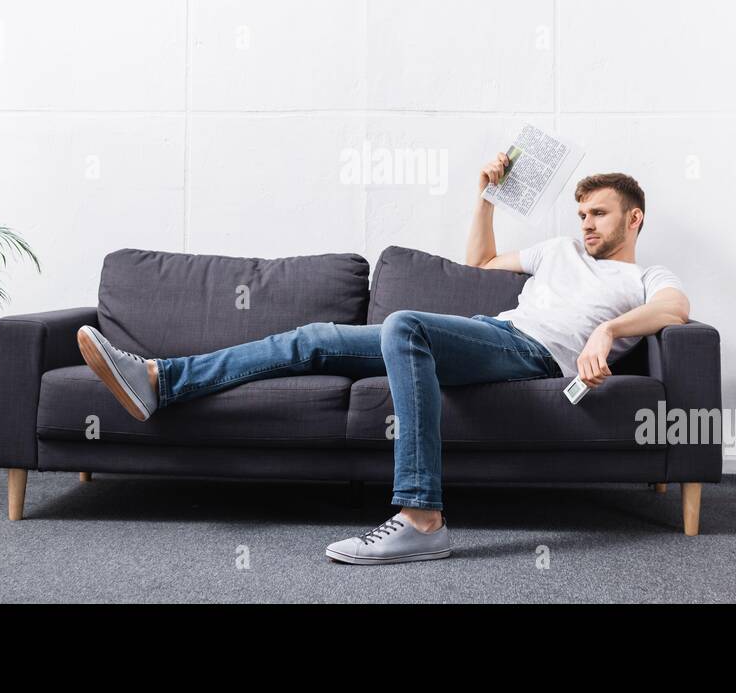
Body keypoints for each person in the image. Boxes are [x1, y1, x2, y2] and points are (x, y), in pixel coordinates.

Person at [76, 155, 690, 564]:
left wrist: (607, 330)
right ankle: (160, 379)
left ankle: (422, 519)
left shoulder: (641, 276)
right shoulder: (558, 250)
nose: (585, 223)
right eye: (581, 213)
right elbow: (478, 265)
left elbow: (676, 308)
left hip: (532, 355)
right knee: (313, 338)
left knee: (405, 324)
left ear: (633, 218)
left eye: (598, 214)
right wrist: (483, 199)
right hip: (489, 333)